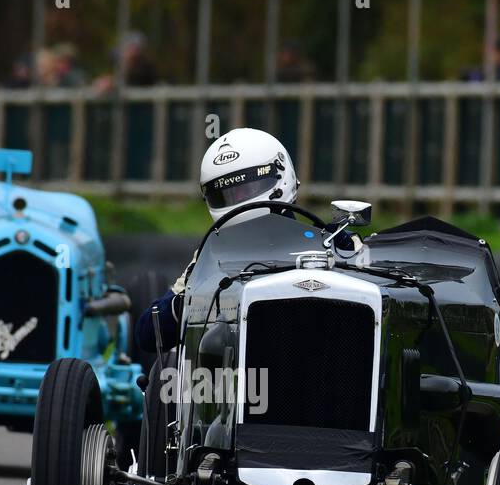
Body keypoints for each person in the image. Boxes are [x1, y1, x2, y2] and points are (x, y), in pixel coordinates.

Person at [136, 128, 354, 354]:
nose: (238, 201)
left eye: (245, 189)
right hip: (234, 372)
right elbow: (147, 335)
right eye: (226, 194)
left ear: (279, 175)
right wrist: (188, 303)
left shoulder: (332, 243)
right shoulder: (211, 254)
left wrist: (347, 258)